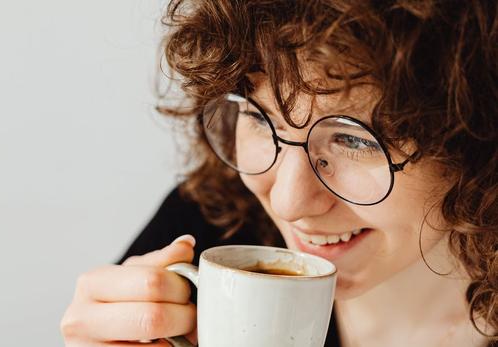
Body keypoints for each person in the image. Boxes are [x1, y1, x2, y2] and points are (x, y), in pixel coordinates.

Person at [60, 0, 498, 346]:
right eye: (258, 117)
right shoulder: (203, 226)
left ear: (477, 143)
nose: (288, 202)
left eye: (356, 140)